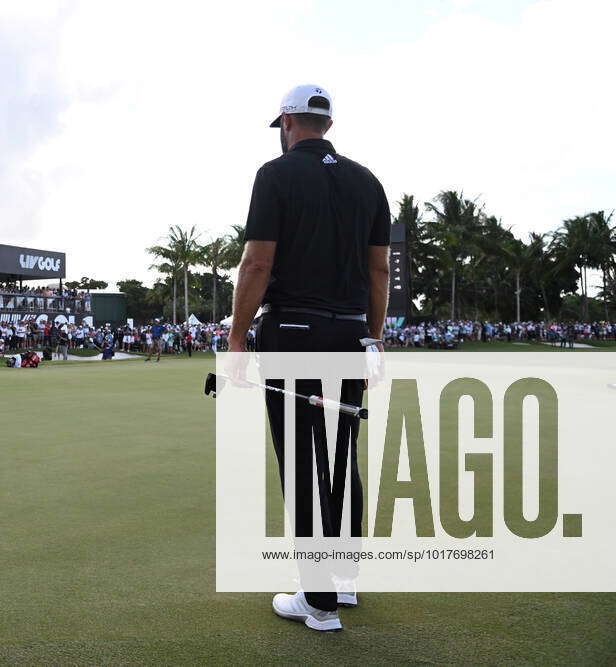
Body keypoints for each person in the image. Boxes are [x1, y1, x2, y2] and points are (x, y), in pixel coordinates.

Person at [227, 84, 390, 632]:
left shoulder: (275, 176)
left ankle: (317, 602)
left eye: (282, 126)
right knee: (342, 455)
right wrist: (373, 337)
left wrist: (235, 342)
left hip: (293, 335)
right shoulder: (368, 181)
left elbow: (256, 264)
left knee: (302, 462)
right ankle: (343, 583)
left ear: (290, 122)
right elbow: (378, 273)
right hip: (350, 337)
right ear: (328, 123)